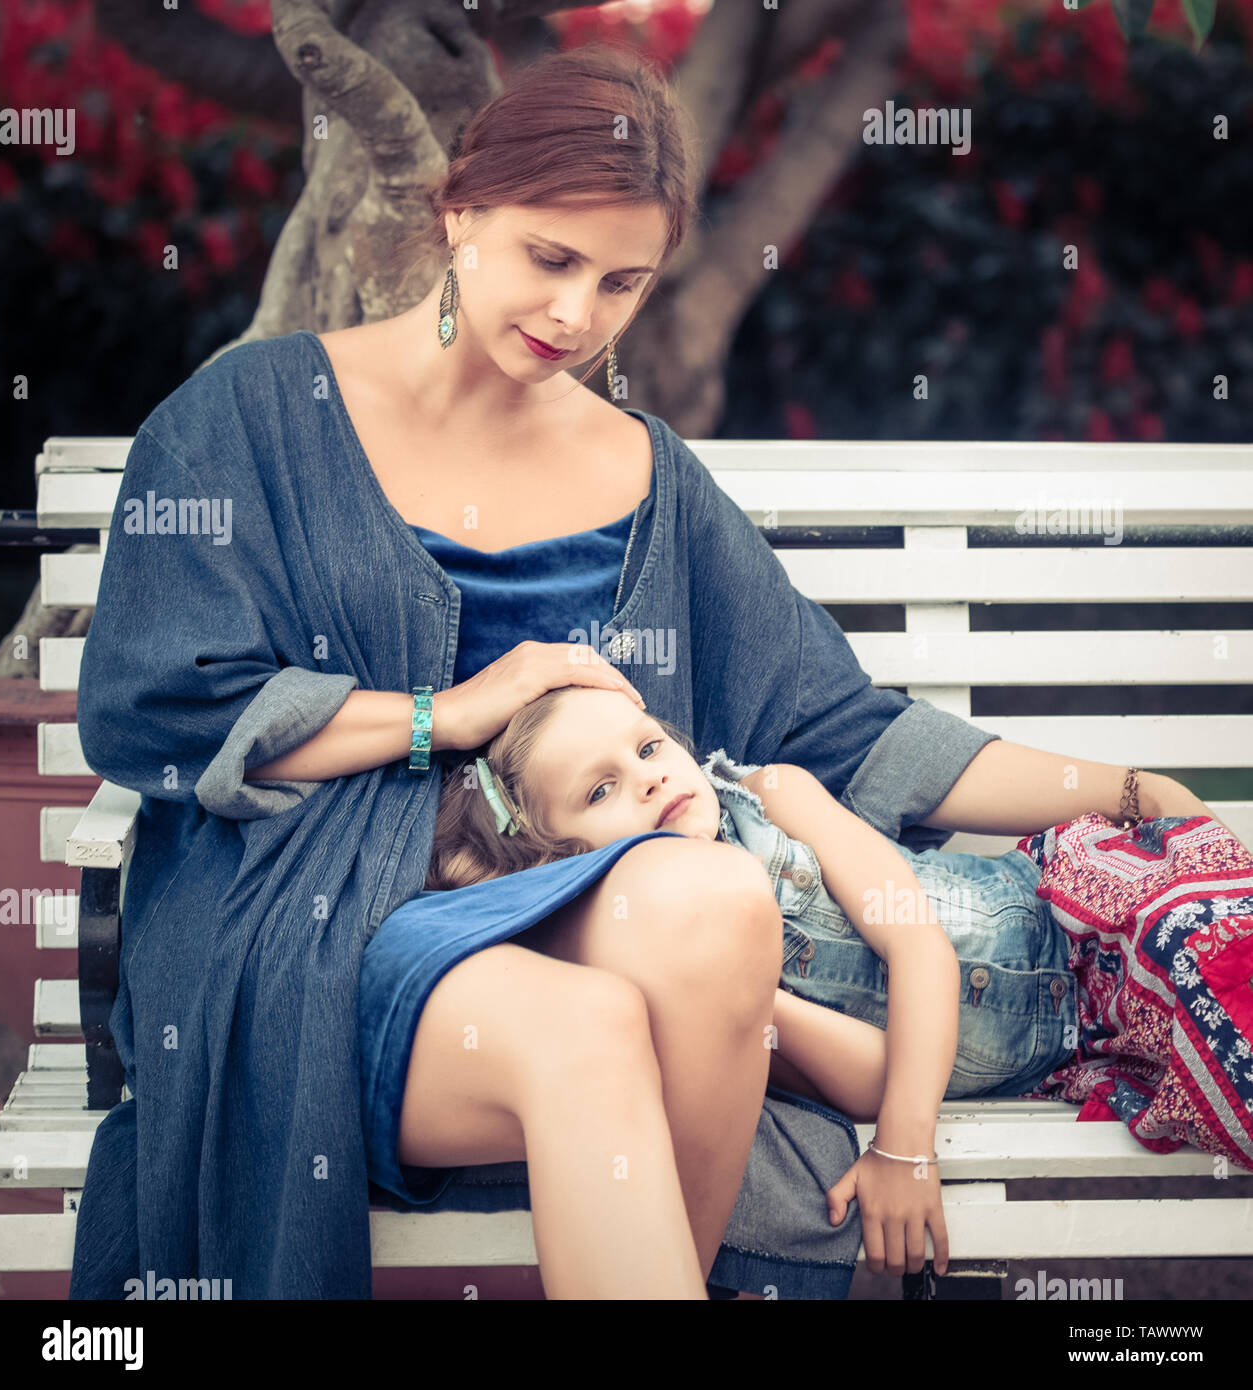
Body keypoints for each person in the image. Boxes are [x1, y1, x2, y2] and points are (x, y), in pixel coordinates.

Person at [70, 43, 1218, 1301]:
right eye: (548, 260)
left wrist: (1120, 789)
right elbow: (159, 706)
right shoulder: (251, 418)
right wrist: (447, 713)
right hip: (313, 910)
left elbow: (836, 726)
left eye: (621, 282)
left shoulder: (648, 473)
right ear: (462, 210)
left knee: (712, 899)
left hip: (572, 902)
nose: (576, 316)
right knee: (588, 1029)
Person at [388, 682, 1082, 1283]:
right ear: (564, 864)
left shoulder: (771, 796)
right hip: (1065, 1043)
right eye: (601, 790)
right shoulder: (672, 992)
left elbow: (917, 942)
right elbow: (876, 1075)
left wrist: (902, 1150)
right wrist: (746, 997)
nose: (649, 777)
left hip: (1071, 916)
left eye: (649, 747)